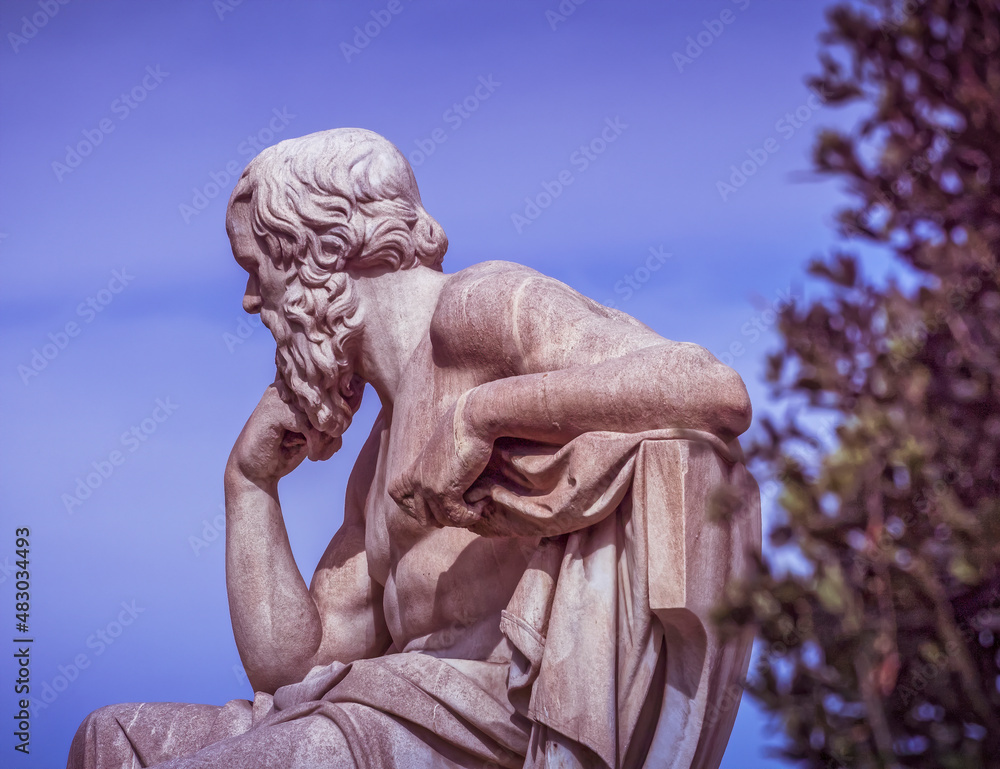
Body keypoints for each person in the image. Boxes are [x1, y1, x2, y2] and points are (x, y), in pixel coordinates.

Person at [68, 127, 754, 769]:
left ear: (323, 251)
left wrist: (482, 414)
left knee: (299, 744)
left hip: (489, 715)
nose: (251, 300)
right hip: (383, 705)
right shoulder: (379, 450)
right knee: (112, 738)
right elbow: (296, 667)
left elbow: (709, 385)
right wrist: (249, 484)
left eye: (259, 266)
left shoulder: (479, 309)